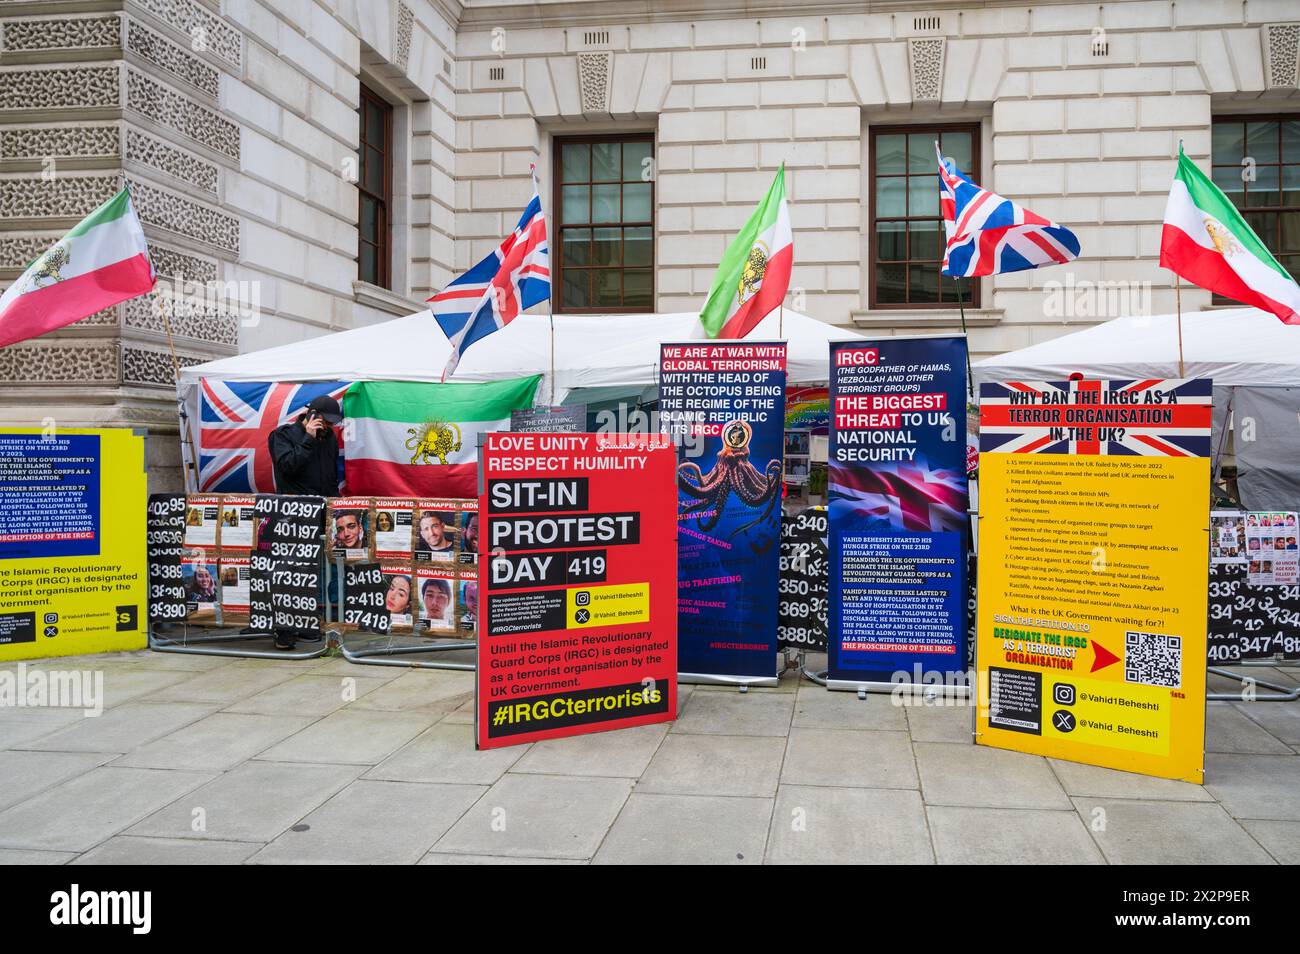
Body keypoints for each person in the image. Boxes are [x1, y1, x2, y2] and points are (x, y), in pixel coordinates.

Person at [268, 395, 342, 496]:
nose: (328, 426)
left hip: (325, 504)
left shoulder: (329, 437)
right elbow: (286, 467)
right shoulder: (283, 434)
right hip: (297, 505)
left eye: (332, 423)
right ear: (312, 414)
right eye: (326, 421)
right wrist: (308, 439)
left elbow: (331, 475)